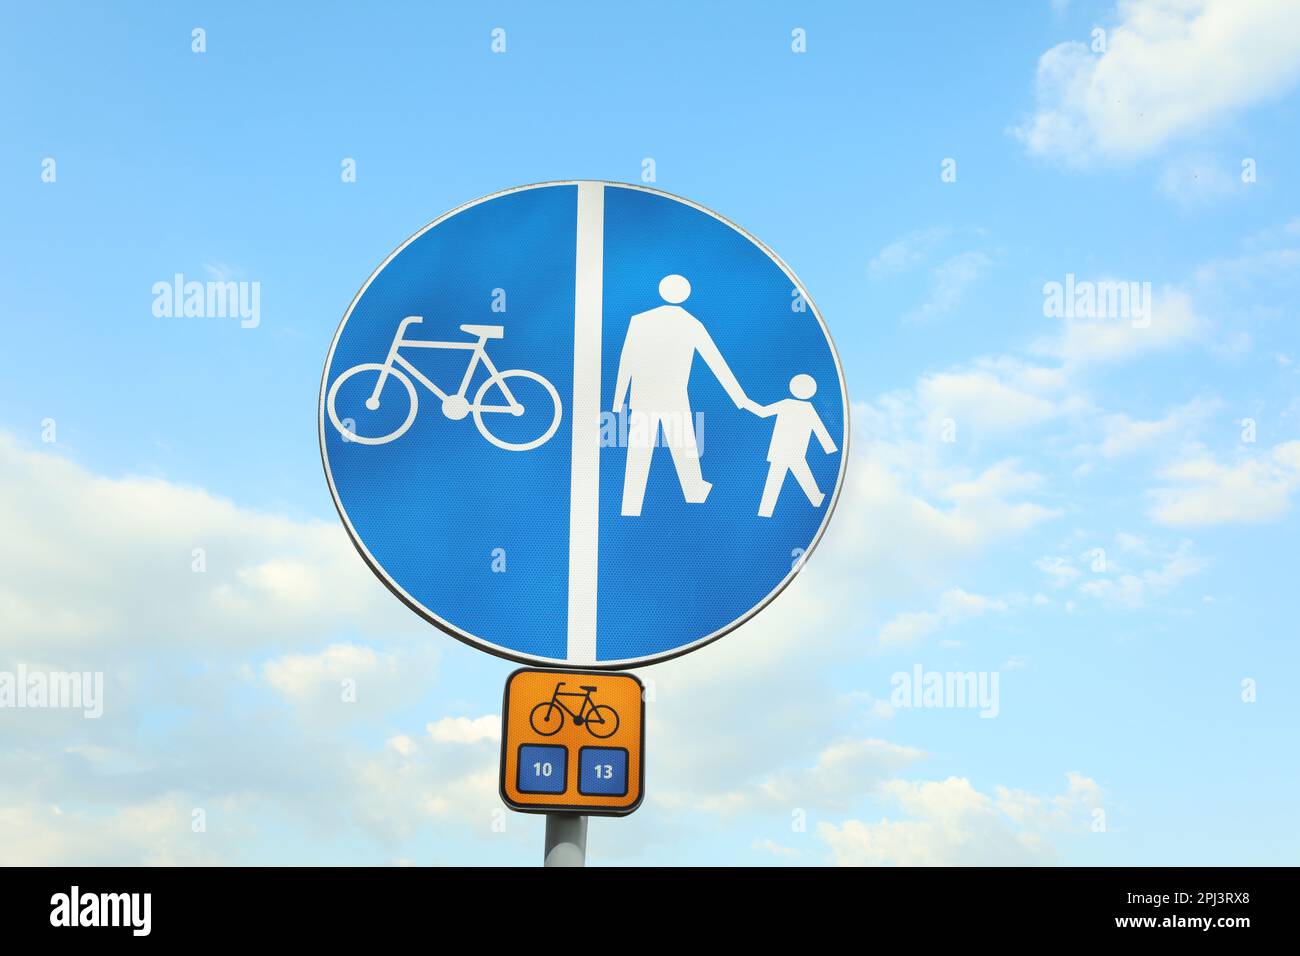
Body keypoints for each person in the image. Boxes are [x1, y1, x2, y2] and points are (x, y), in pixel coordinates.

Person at [612, 274, 754, 517]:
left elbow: (626, 361)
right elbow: (717, 364)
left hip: (643, 397)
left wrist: (618, 400)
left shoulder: (640, 320)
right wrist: (741, 400)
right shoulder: (691, 323)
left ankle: (630, 506)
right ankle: (695, 493)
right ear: (685, 293)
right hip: (673, 397)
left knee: (639, 452)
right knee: (684, 447)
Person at [751, 374, 837, 518]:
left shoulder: (786, 404)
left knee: (779, 479)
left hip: (782, 450)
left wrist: (747, 403)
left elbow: (762, 412)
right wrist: (829, 449)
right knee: (797, 475)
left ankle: (766, 511)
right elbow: (820, 430)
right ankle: (815, 498)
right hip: (795, 451)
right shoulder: (808, 409)